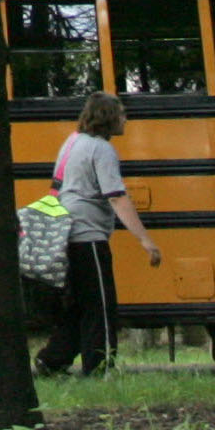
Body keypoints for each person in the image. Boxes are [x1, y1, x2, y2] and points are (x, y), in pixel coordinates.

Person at [37, 92, 163, 377]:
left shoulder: (72, 142)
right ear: (108, 117)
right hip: (88, 235)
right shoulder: (101, 149)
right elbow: (116, 197)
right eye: (122, 114)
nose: (126, 120)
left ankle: (52, 359)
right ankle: (100, 368)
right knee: (101, 306)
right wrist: (145, 239)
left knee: (80, 305)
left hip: (66, 232)